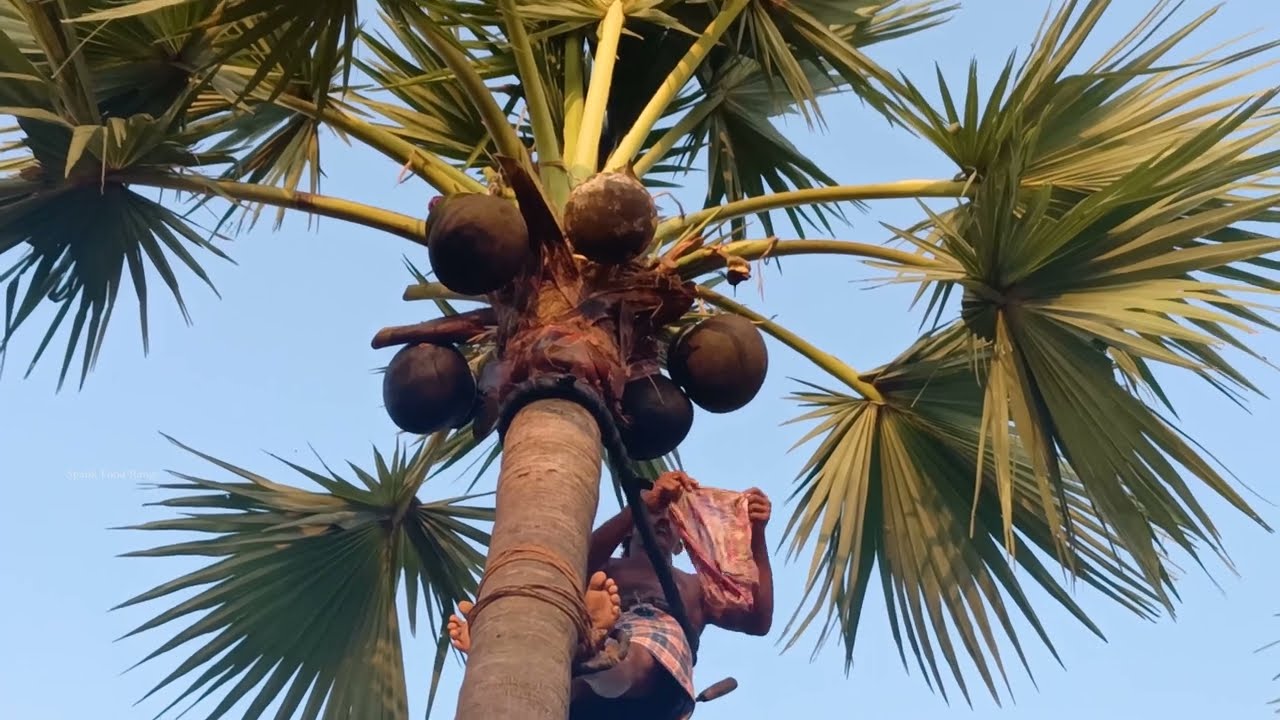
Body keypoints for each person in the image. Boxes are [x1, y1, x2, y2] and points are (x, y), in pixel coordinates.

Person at [447, 471, 774, 720]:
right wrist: (641, 505)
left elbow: (758, 621)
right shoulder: (606, 568)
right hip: (588, 696)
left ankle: (596, 651)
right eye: (655, 514)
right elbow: (574, 557)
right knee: (559, 675)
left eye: (671, 518)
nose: (662, 519)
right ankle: (515, 653)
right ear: (631, 527)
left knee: (631, 657)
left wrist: (756, 534)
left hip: (655, 672)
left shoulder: (694, 586)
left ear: (680, 540)